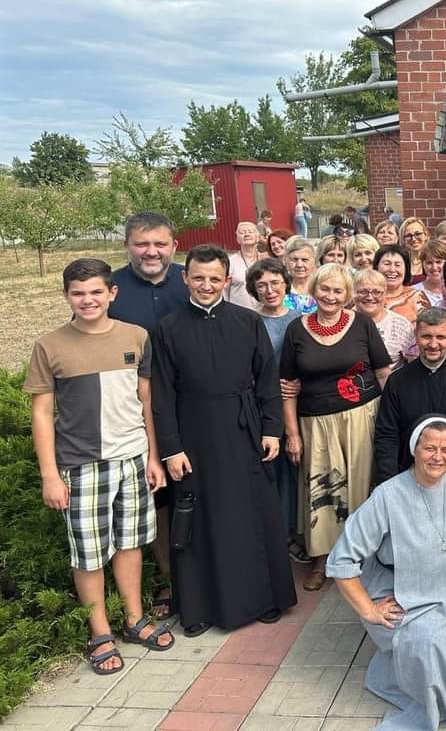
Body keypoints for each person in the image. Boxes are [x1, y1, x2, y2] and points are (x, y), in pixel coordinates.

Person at [26, 258, 172, 675]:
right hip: (81, 465)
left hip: (131, 459)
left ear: (113, 293)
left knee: (130, 543)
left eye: (95, 292)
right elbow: (41, 413)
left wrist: (153, 457)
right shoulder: (50, 345)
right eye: (78, 293)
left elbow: (146, 401)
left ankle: (132, 618)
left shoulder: (137, 337)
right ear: (66, 296)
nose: (87, 300)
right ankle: (100, 631)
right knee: (89, 553)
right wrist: (50, 475)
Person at [151, 244, 297, 635]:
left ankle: (264, 599)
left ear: (227, 280)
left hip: (244, 429)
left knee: (252, 517)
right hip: (193, 436)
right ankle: (200, 609)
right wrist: (171, 449)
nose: (206, 285)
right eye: (198, 278)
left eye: (215, 278)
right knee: (201, 521)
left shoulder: (247, 322)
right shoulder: (168, 328)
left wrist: (271, 430)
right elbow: (161, 394)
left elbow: (267, 380)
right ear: (185, 279)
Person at [326, 416, 446, 731]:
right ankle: (431, 707)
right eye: (429, 447)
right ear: (414, 449)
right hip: (398, 592)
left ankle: (400, 671)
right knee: (431, 646)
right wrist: (370, 610)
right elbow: (341, 559)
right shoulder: (387, 496)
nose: (438, 456)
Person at [279, 262, 392, 592]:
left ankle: (361, 558)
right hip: (316, 423)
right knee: (322, 489)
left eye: (338, 290)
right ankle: (322, 559)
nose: (330, 296)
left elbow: (384, 373)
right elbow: (288, 385)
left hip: (362, 418)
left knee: (361, 487)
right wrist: (292, 434)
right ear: (314, 289)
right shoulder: (296, 330)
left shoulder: (362, 324)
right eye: (324, 289)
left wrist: (392, 420)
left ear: (348, 295)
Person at [107, 212, 189, 619]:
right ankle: (167, 579)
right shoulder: (112, 290)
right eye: (142, 244)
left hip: (192, 406)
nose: (151, 252)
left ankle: (199, 574)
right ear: (127, 246)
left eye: (160, 243)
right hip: (134, 412)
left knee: (192, 490)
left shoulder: (191, 281)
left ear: (174, 245)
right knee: (154, 499)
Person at [372, 308, 446, 486]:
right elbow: (387, 437)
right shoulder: (397, 381)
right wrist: (390, 485)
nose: (433, 344)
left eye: (441, 337)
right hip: (408, 478)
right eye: (426, 336)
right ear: (416, 335)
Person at [246, 257, 307, 563]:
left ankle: (298, 534)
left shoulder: (300, 320)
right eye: (261, 285)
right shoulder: (249, 322)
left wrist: (299, 385)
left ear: (286, 283)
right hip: (262, 407)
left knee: (296, 472)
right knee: (272, 473)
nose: (269, 290)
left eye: (275, 283)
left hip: (297, 406)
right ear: (254, 290)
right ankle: (277, 536)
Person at [353, 268, 416, 372]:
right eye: (363, 291)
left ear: (385, 294)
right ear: (353, 293)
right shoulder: (343, 321)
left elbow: (413, 364)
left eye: (377, 292)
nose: (369, 297)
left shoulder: (400, 324)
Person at [375, 243, 429, 323]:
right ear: (376, 267)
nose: (392, 269)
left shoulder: (417, 297)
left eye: (397, 265)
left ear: (406, 269)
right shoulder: (367, 297)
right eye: (387, 264)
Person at [225, 221, 261, 310]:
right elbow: (224, 292)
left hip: (264, 314)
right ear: (237, 239)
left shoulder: (266, 260)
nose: (246, 234)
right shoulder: (230, 262)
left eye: (250, 232)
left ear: (258, 238)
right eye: (242, 233)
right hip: (237, 314)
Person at [283, 237, 318, 314]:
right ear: (286, 262)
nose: (299, 265)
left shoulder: (322, 288)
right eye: (294, 260)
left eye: (304, 260)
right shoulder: (280, 290)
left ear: (314, 262)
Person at [413, 238, 446, 308]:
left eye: (438, 262)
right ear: (423, 264)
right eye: (429, 263)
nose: (434, 267)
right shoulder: (414, 292)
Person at [399, 216, 429, 281]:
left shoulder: (434, 260)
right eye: (408, 235)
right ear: (403, 239)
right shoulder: (400, 262)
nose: (413, 239)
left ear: (425, 235)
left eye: (418, 234)